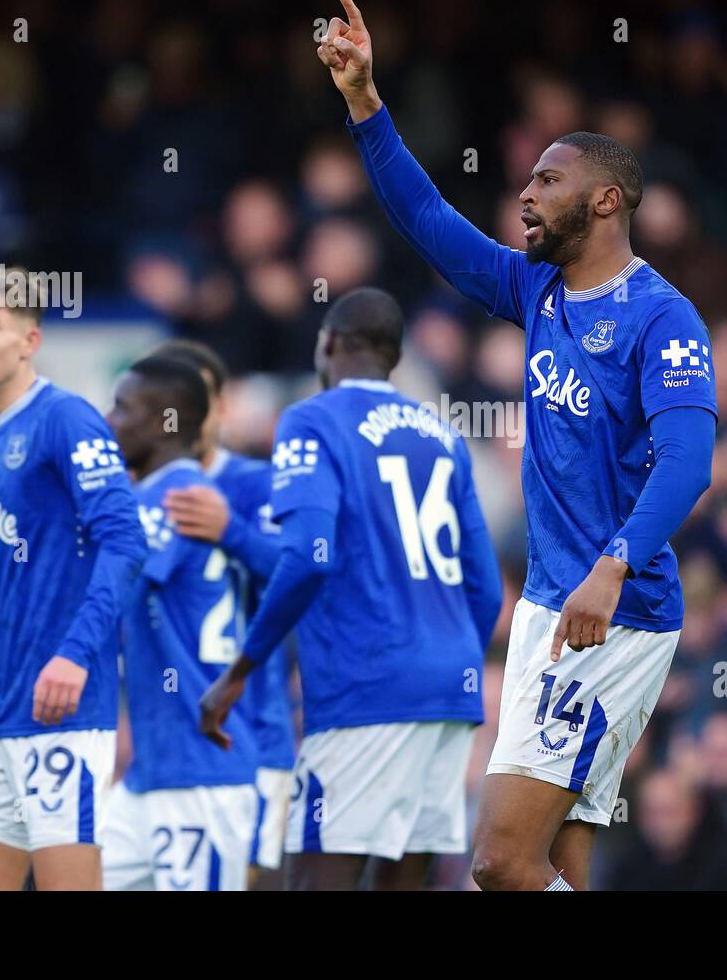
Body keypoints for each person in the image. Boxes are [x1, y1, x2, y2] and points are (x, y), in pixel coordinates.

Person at [315, 0, 717, 891]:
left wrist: (613, 565)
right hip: (552, 606)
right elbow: (428, 222)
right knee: (553, 861)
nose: (527, 195)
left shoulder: (663, 317)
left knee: (496, 859)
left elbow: (690, 460)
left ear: (606, 199)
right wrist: (366, 105)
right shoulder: (534, 290)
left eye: (548, 181)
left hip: (615, 609)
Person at [199, 287, 502, 890]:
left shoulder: (311, 418)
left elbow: (309, 559)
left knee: (317, 878)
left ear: (330, 344)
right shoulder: (441, 435)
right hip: (449, 686)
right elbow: (487, 588)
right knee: (404, 880)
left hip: (368, 686)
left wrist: (239, 669)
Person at [0, 266, 147, 890]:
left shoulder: (67, 420)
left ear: (29, 340)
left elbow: (125, 539)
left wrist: (76, 655)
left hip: (63, 712)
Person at [100, 355, 264, 891]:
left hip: (202, 776)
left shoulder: (171, 499)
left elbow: (104, 587)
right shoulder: (185, 495)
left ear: (163, 420)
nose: (109, 418)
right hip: (153, 770)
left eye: (123, 406)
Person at [151, 339, 296, 886]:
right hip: (161, 746)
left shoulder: (262, 484)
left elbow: (301, 578)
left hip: (250, 733)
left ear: (222, 406)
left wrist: (231, 532)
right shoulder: (137, 495)